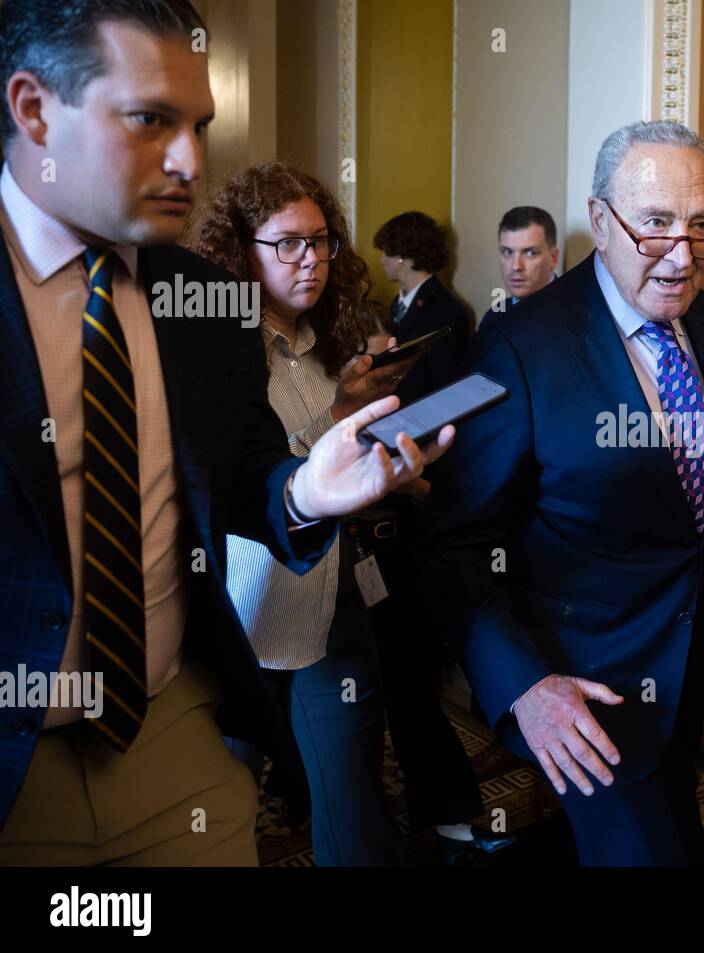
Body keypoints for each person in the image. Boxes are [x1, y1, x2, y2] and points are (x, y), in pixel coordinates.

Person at [0, 0, 450, 866]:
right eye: (150, 120)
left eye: (198, 125)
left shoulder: (203, 300)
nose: (189, 161)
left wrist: (308, 490)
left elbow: (241, 471)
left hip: (170, 724)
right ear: (33, 110)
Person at [419, 120, 704, 867]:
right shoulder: (522, 345)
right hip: (582, 689)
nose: (682, 258)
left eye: (700, 226)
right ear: (601, 221)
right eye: (654, 225)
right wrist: (525, 686)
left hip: (686, 678)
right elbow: (455, 545)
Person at [183, 161, 418, 866]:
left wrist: (361, 422)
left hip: (328, 593)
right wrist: (335, 429)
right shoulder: (215, 348)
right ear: (240, 253)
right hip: (243, 608)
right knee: (219, 811)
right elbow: (240, 482)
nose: (309, 260)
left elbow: (325, 468)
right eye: (286, 243)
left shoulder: (328, 343)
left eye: (320, 242)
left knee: (353, 798)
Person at [370, 214, 517, 865]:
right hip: (377, 510)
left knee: (408, 670)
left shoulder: (447, 313)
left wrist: (422, 481)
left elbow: (452, 405)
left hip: (421, 499)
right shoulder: (400, 309)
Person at [374, 211, 472, 407]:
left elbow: (443, 387)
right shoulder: (398, 303)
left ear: (401, 254)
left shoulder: (446, 311)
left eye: (386, 252)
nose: (381, 260)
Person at [478, 205, 559, 333]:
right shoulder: (494, 316)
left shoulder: (575, 315)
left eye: (530, 253)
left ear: (553, 258)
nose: (516, 266)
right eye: (507, 252)